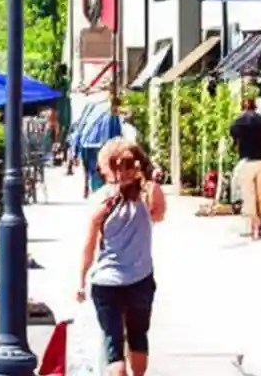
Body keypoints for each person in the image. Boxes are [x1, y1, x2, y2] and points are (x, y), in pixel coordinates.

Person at [77, 138, 164, 376]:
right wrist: (150, 177)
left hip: (106, 282)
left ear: (106, 167)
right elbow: (159, 213)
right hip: (140, 280)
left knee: (113, 345)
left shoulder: (99, 200)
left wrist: (81, 280)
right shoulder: (145, 196)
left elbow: (89, 246)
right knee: (137, 338)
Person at [230, 97, 261, 239]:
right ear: (255, 107)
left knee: (249, 196)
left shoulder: (238, 122)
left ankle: (254, 226)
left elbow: (233, 137)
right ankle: (259, 225)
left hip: (248, 161)